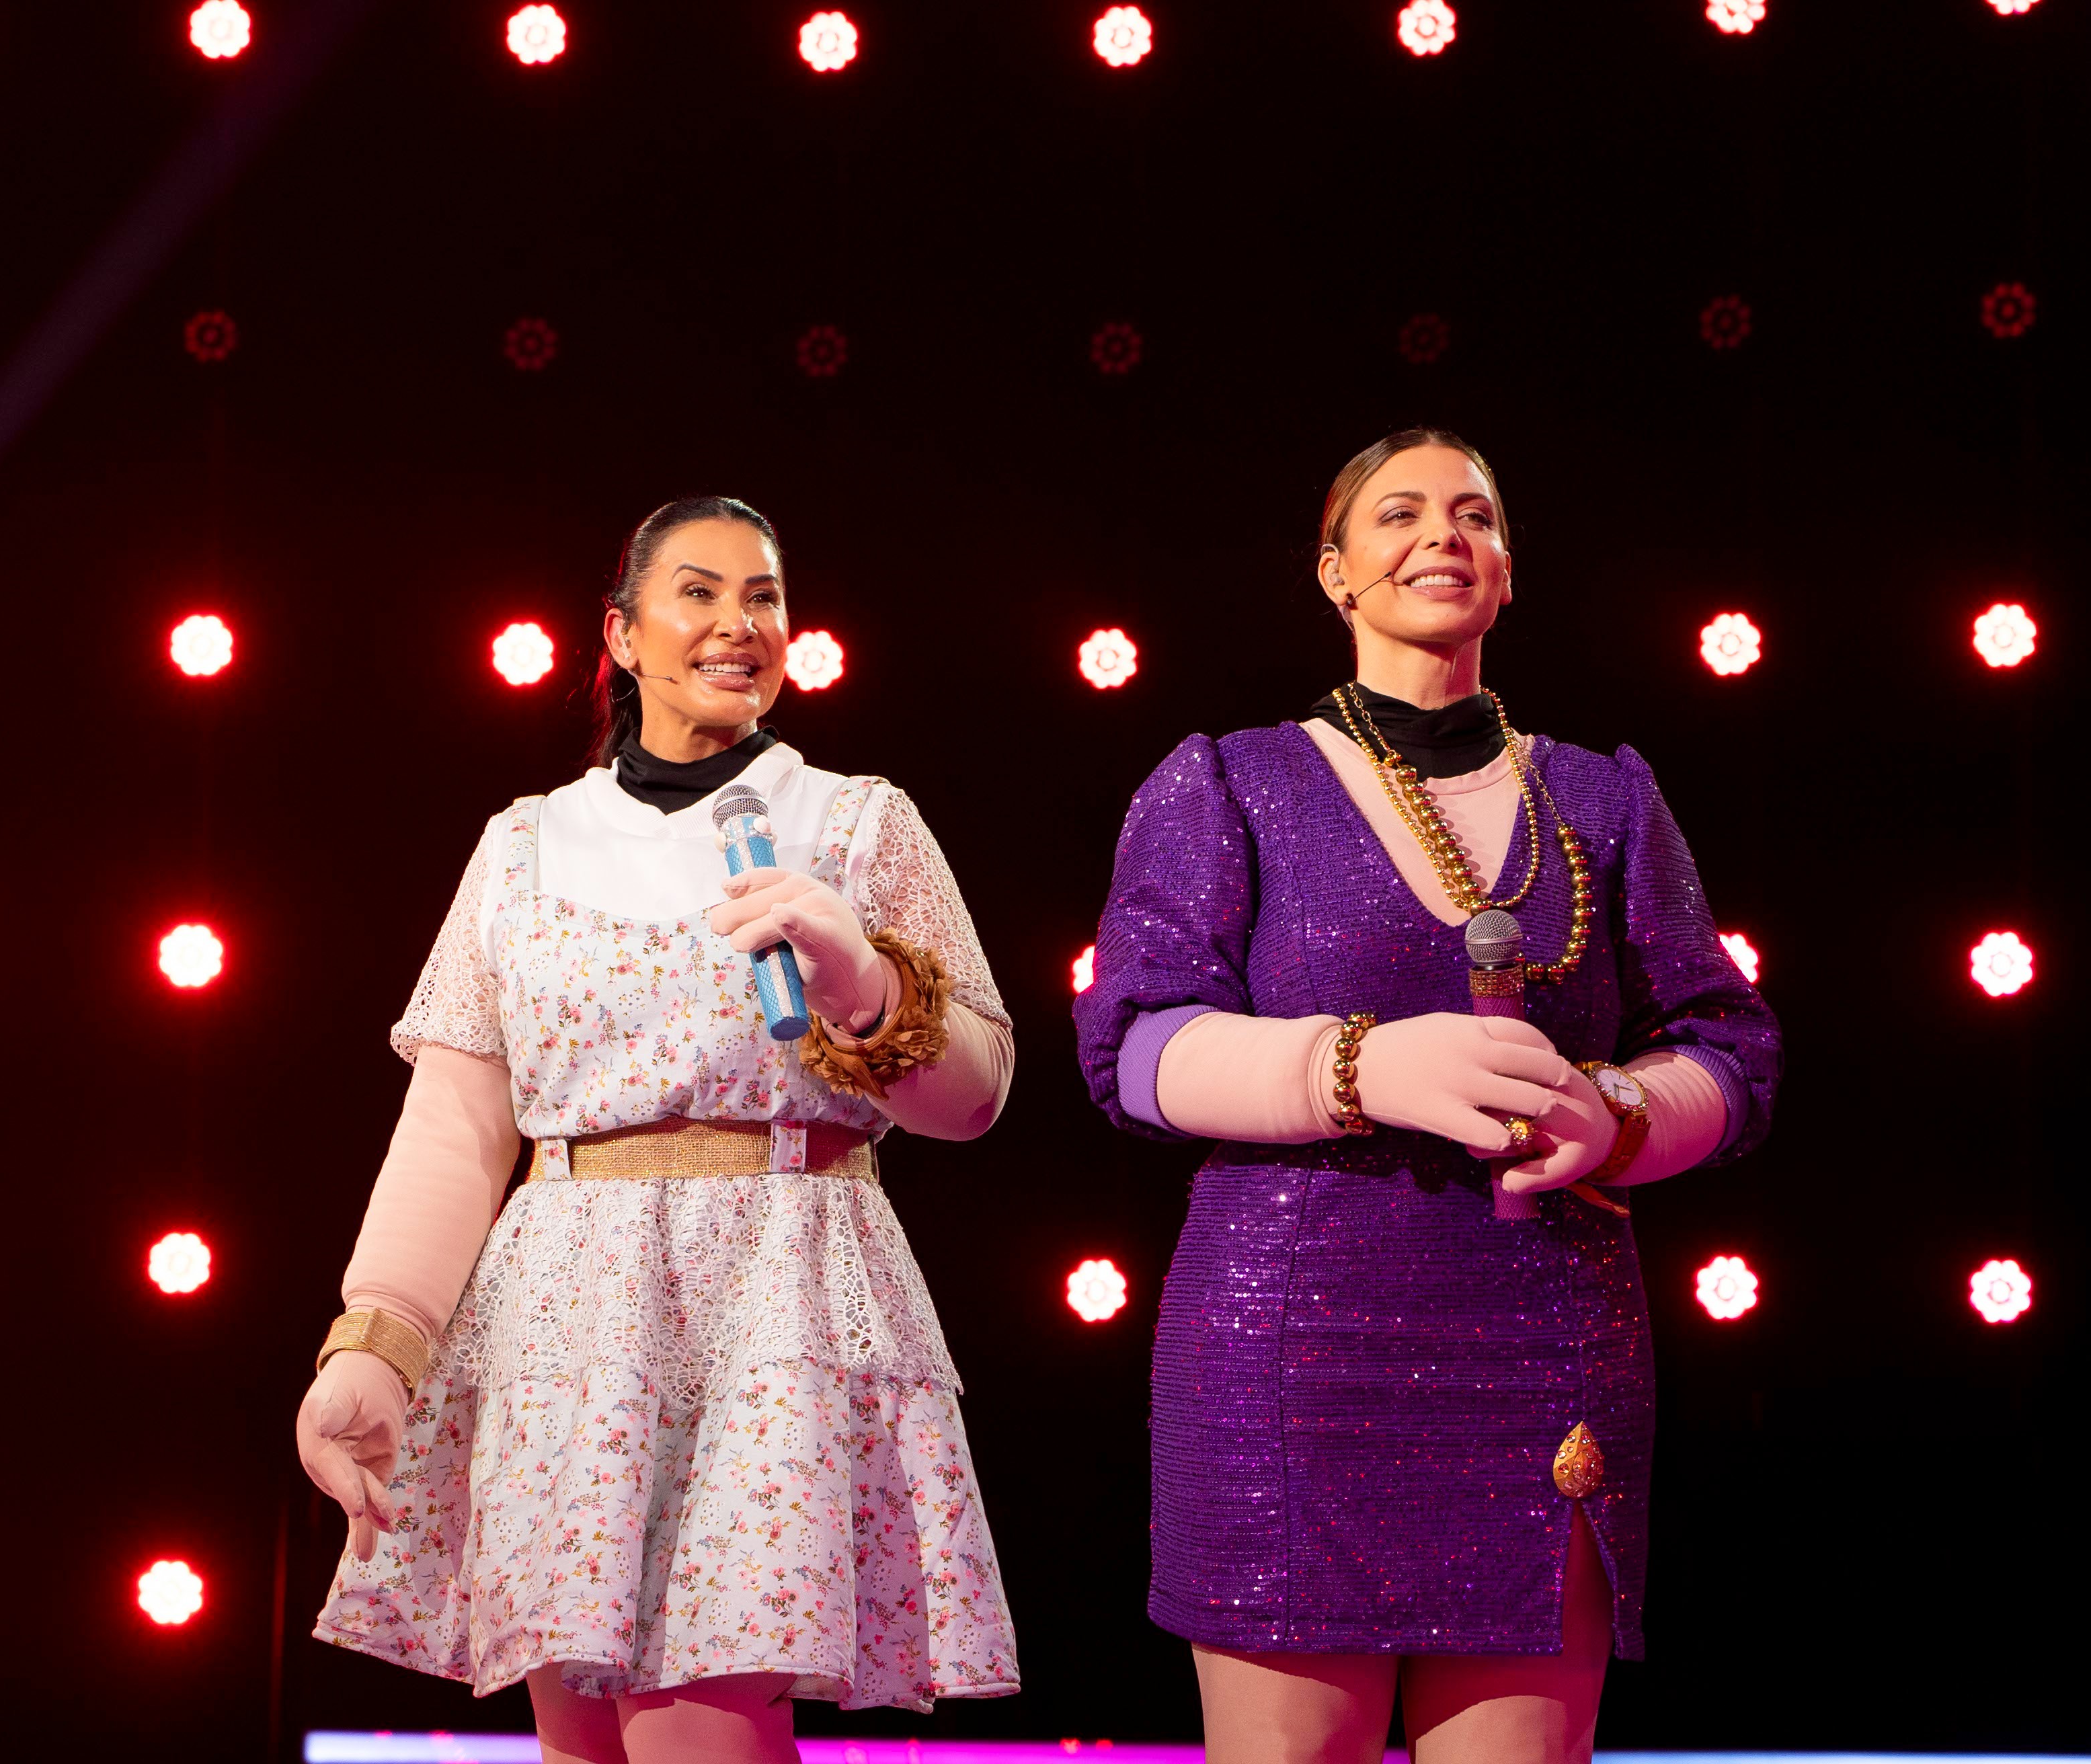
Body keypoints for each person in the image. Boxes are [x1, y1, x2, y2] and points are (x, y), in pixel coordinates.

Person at [1075, 430, 1779, 1764]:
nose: (1443, 535)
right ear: (1335, 572)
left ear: (1508, 575)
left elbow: (1732, 1049)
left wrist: (1615, 1115)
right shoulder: (1229, 780)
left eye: (1475, 515)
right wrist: (1354, 1068)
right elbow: (1131, 1045)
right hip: (1288, 1346)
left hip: (1540, 1345)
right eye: (1399, 514)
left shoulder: (1603, 796)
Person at [298, 496, 1020, 1764]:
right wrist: (374, 1346)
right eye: (699, 593)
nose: (738, 624)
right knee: (589, 1741)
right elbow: (459, 1123)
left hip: (777, 1290)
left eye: (764, 598)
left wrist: (866, 981)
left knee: (704, 1728)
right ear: (624, 635)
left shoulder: (857, 824)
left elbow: (976, 1091)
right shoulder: (526, 843)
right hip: (569, 1307)